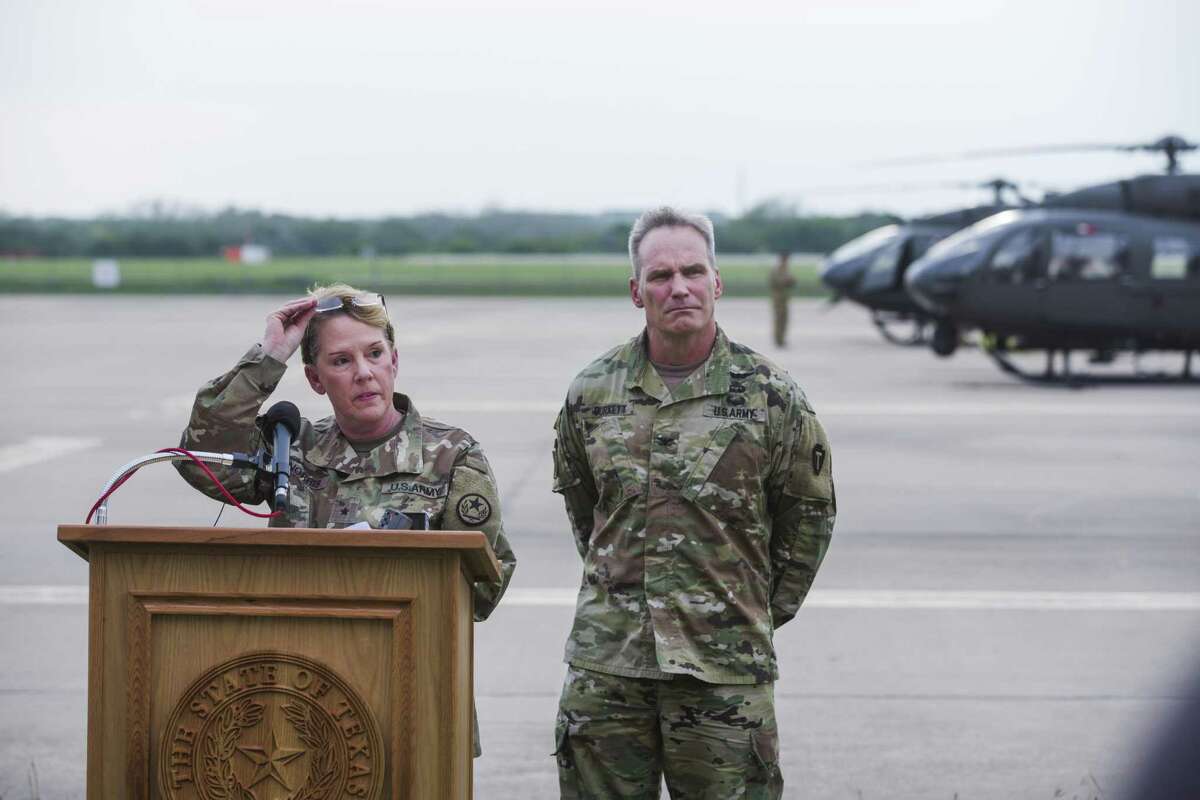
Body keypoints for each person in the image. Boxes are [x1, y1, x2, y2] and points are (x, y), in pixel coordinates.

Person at [551, 207, 836, 798]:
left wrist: (749, 609)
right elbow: (588, 513)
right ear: (636, 291)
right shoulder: (591, 392)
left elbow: (808, 518)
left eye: (692, 271)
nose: (677, 287)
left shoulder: (771, 396)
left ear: (717, 282)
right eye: (659, 276)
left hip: (725, 670)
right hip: (610, 667)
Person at [174, 283, 517, 752]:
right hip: (296, 705)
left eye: (375, 354)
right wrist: (269, 357)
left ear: (394, 361)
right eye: (341, 361)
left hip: (415, 700)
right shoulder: (291, 449)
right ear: (315, 380)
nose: (364, 373)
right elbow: (199, 459)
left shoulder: (451, 455)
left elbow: (486, 586)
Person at [769, 253, 796, 348]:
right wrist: (787, 280)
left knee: (784, 319)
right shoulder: (777, 269)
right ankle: (778, 340)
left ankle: (782, 339)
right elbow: (776, 282)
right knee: (779, 319)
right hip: (778, 299)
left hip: (784, 298)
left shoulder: (785, 269)